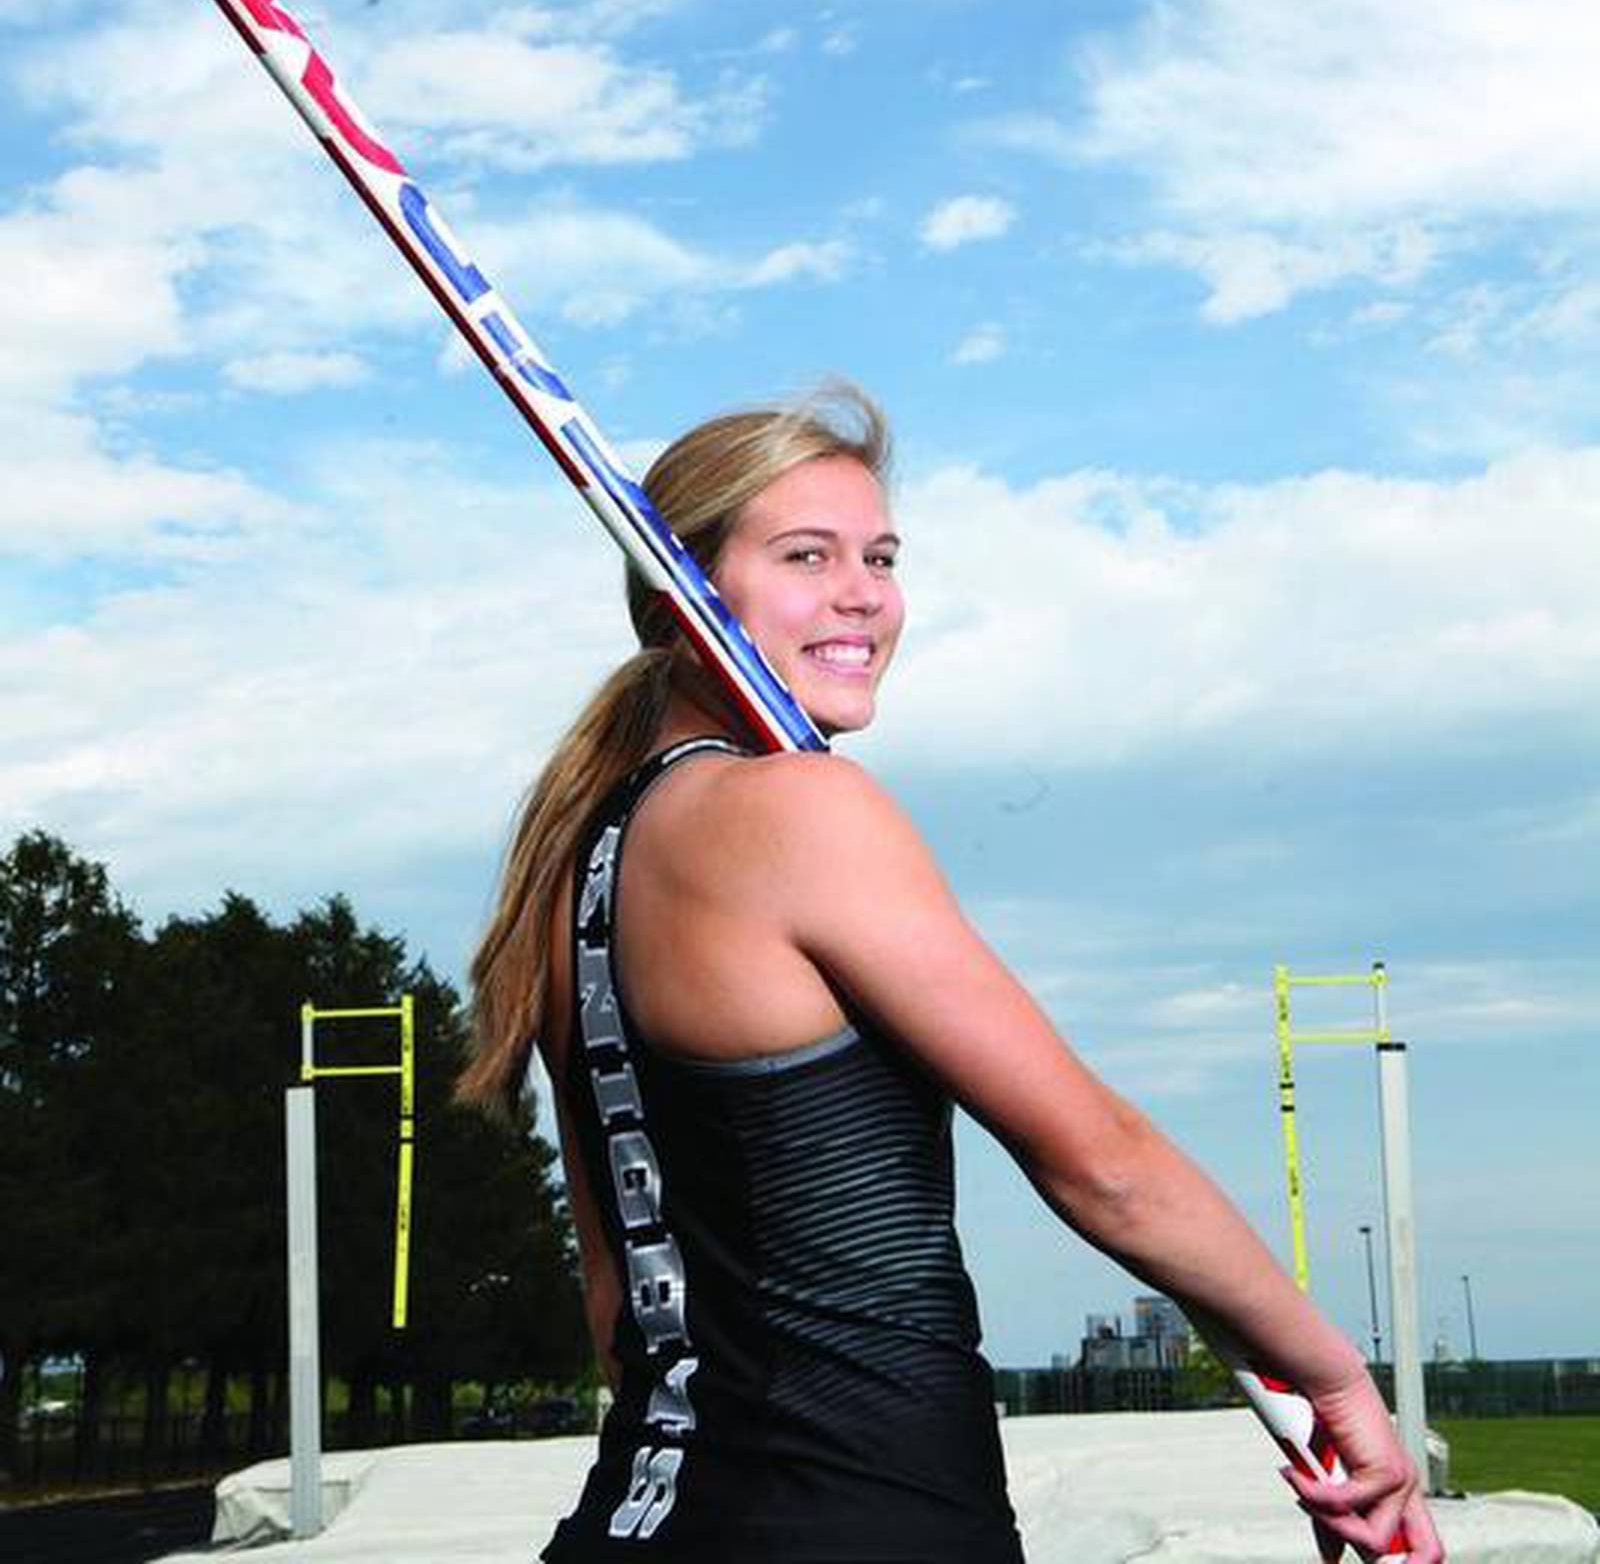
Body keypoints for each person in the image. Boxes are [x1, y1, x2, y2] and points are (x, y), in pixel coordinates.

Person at [462, 388, 1442, 1564]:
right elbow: (1101, 1162)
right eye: (805, 556)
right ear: (681, 589)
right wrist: (1332, 1374)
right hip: (859, 1520)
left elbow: (619, 1303)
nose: (865, 595)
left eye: (878, 556)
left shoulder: (579, 870)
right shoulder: (798, 811)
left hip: (637, 1521)